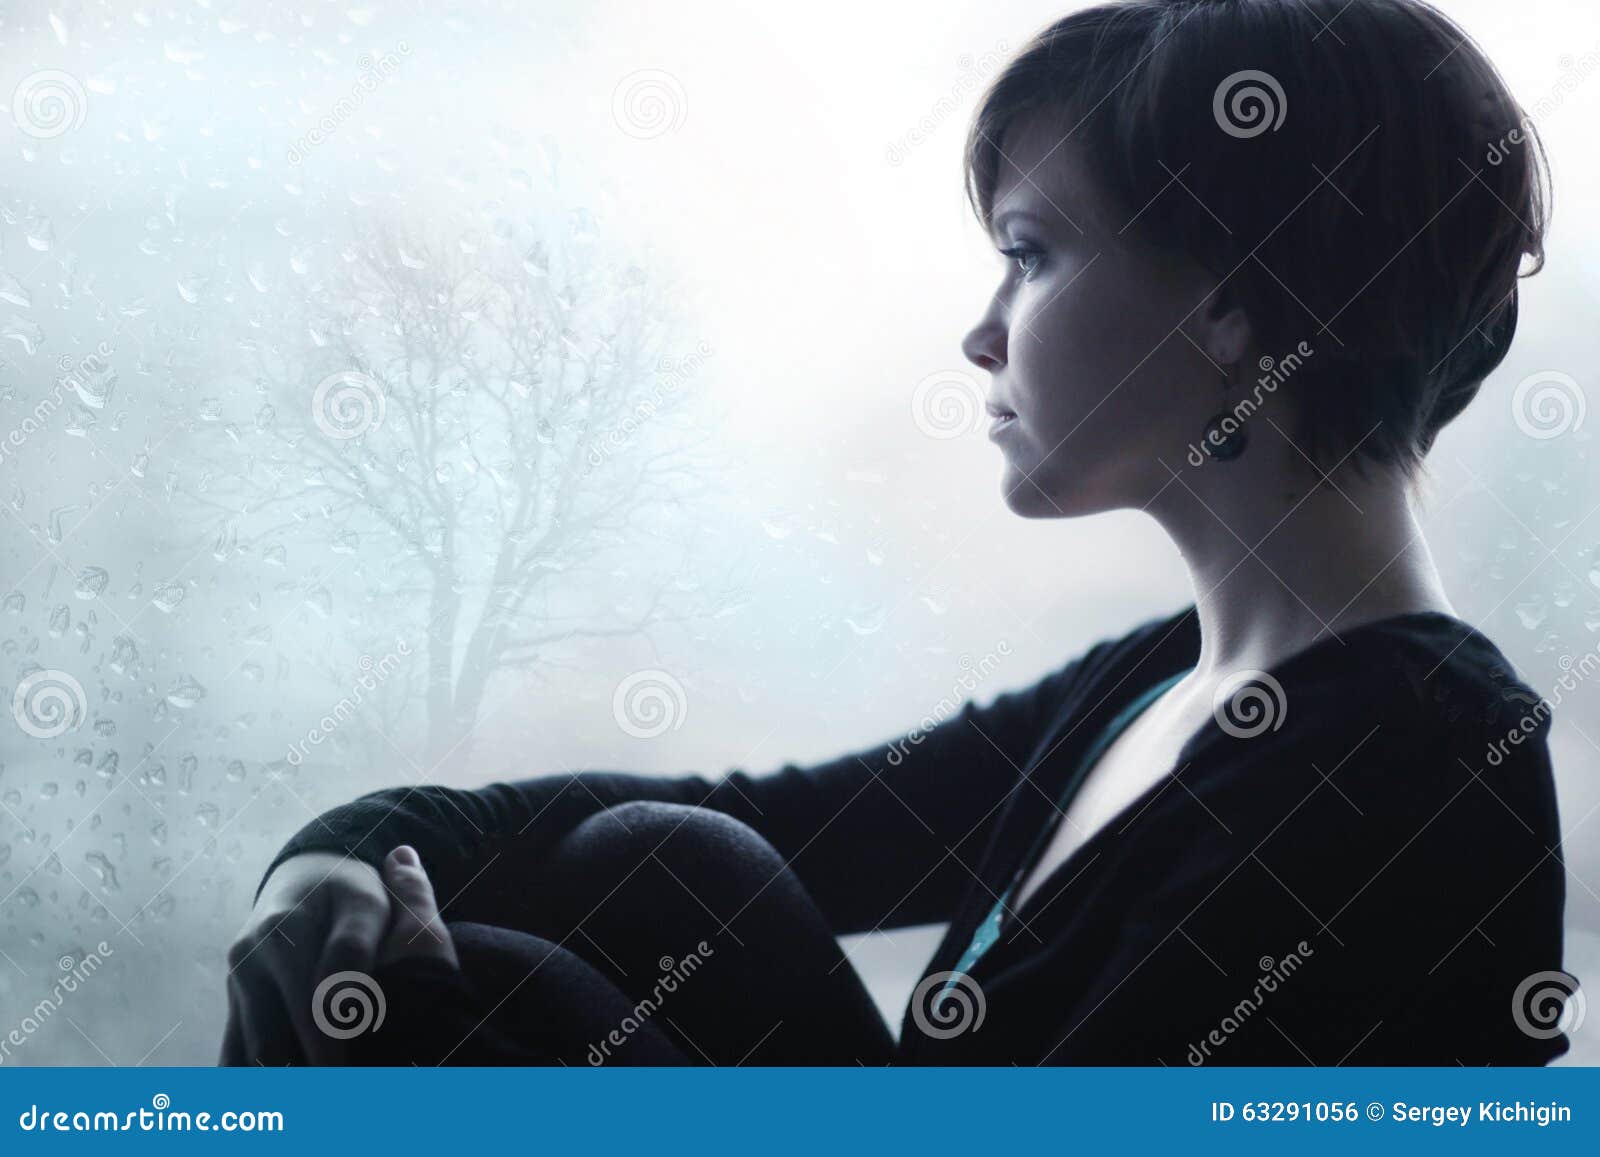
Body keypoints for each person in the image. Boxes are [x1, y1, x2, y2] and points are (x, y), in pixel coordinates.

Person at [221, 0, 1573, 1066]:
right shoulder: (1152, 686)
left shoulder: (1423, 763)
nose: (982, 331)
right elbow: (755, 825)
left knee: (436, 998)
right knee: (646, 870)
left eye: (1033, 252)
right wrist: (336, 854)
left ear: (1230, 304)